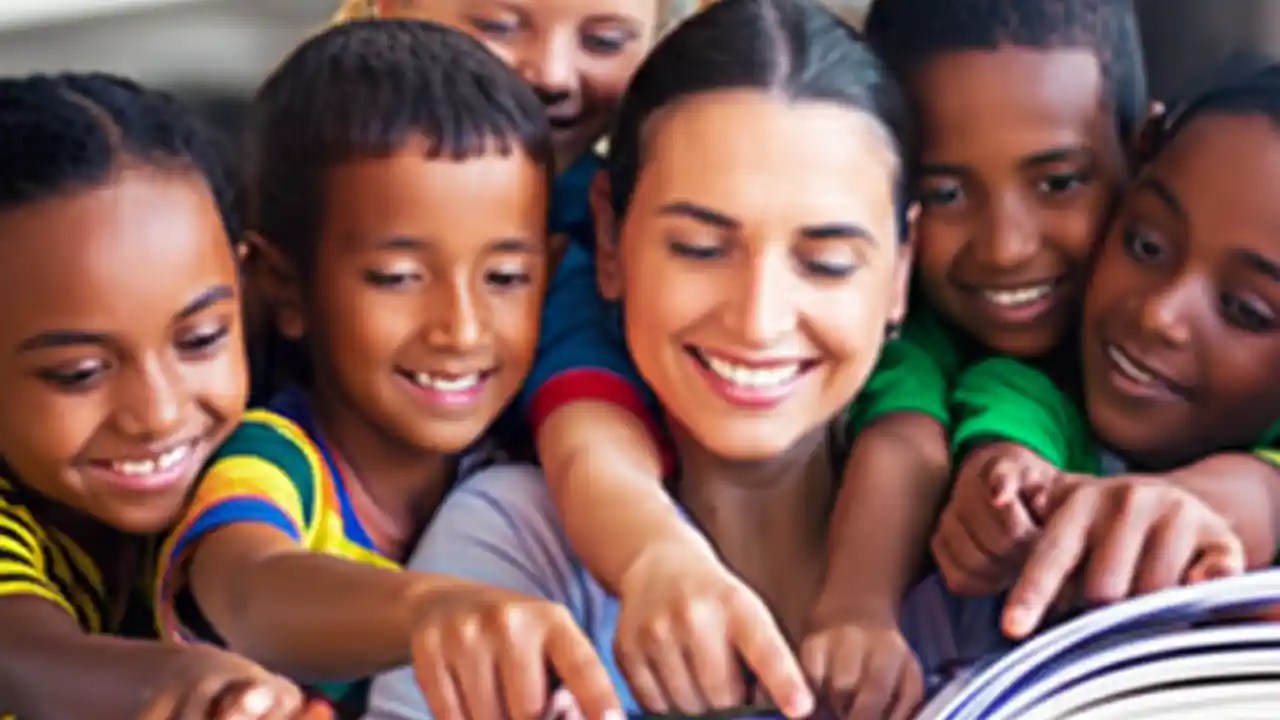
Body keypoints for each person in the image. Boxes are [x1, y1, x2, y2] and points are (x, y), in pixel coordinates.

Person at [365, 3, 1005, 719]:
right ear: (609, 239)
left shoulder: (993, 536)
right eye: (699, 249)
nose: (759, 320)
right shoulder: (515, 544)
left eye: (826, 262)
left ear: (901, 268)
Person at [155, 20, 619, 720]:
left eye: (504, 277)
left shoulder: (525, 465)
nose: (461, 329)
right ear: (284, 285)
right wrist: (435, 609)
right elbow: (251, 591)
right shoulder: (278, 460)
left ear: (549, 273)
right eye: (398, 277)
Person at [0, 73, 323, 720]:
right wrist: (189, 687)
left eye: (200, 339)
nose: (159, 413)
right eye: (78, 373)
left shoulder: (259, 449)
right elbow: (21, 656)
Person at [938, 56, 1280, 639]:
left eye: (1246, 310)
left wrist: (1200, 506)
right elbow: (1012, 413)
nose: (1158, 314)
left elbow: (1261, 492)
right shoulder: (1029, 381)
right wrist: (1006, 477)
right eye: (1146, 245)